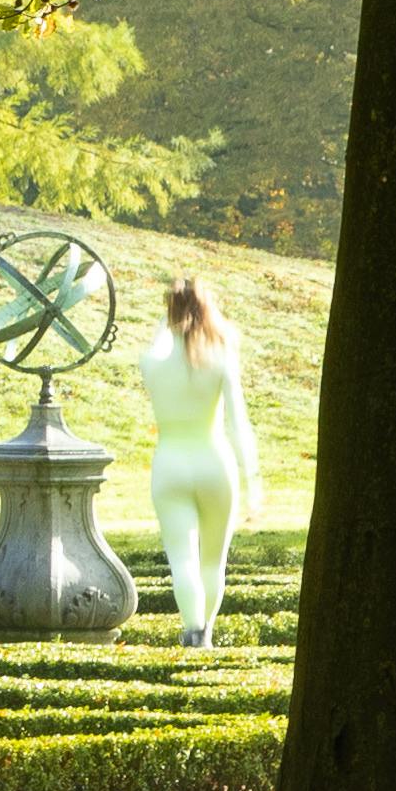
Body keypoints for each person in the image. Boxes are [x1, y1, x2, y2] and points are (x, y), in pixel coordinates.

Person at [142, 272, 268, 644]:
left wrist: (169, 316)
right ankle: (206, 635)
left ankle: (192, 631)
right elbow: (239, 424)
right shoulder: (221, 359)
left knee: (182, 559)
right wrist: (253, 479)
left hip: (169, 467)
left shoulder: (152, 362)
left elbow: (159, 340)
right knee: (213, 561)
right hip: (214, 464)